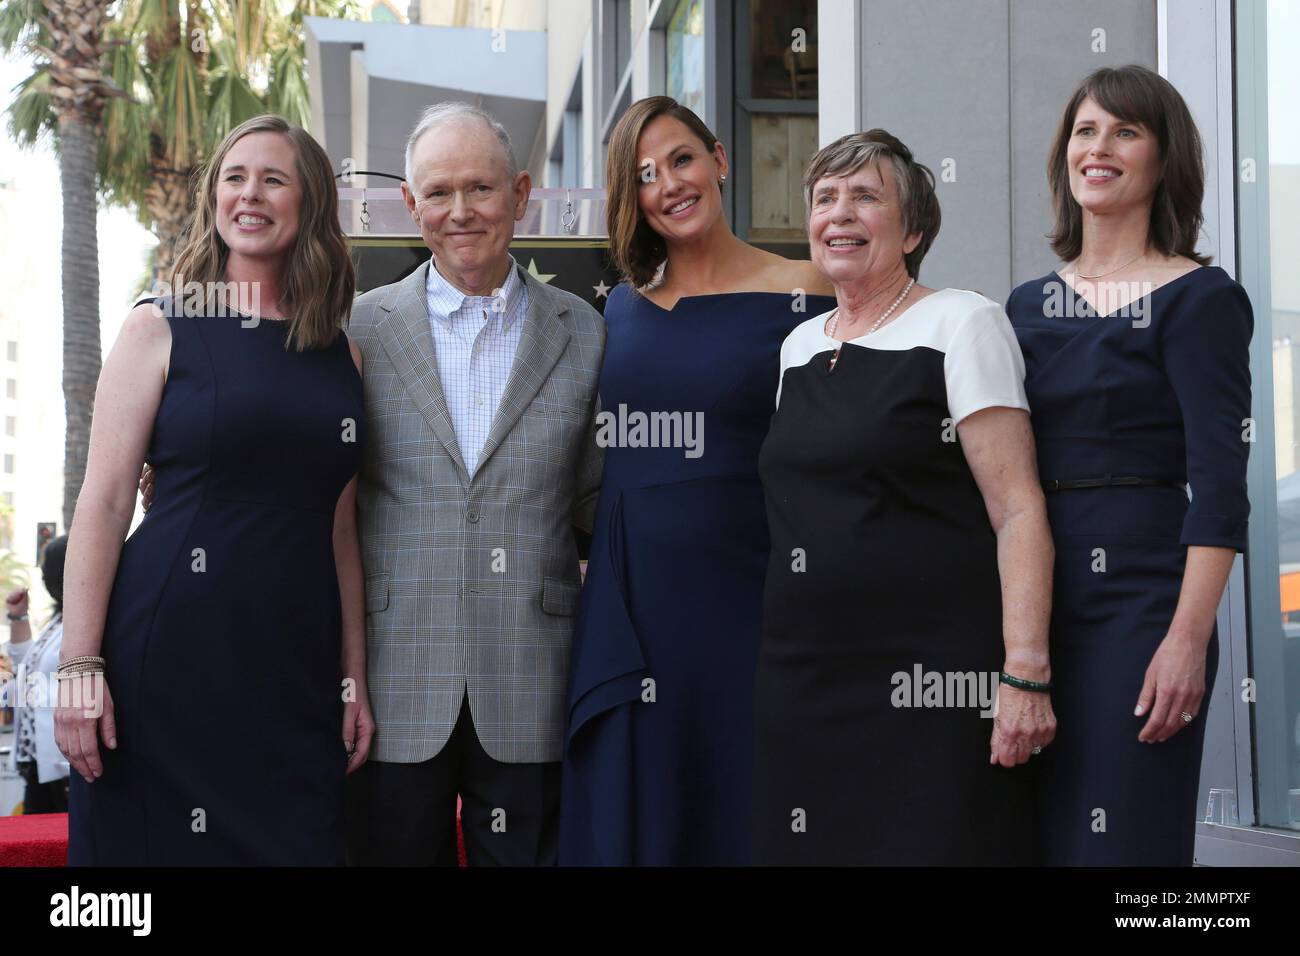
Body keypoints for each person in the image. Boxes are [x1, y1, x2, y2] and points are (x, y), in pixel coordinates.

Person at [62, 114, 370, 865]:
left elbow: (339, 530)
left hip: (295, 676)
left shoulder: (345, 354)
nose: (250, 194)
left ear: (310, 202)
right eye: (234, 177)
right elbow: (102, 502)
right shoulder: (158, 324)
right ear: (214, 198)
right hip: (167, 661)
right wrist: (78, 667)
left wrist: (353, 677)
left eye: (273, 178)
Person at [753, 129, 1056, 865]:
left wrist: (1024, 670)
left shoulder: (963, 321)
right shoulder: (798, 347)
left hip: (932, 678)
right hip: (806, 674)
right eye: (825, 198)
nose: (839, 214)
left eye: (865, 196)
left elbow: (1017, 508)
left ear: (913, 228)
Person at [560, 95, 837, 866]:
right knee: (644, 797)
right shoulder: (618, 309)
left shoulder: (809, 287)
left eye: (682, 158)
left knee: (745, 795)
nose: (669, 184)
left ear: (719, 158)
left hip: (756, 590)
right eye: (644, 174)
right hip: (633, 603)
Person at [342, 103, 605, 866]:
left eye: (481, 189)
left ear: (521, 195)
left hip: (534, 672)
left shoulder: (587, 330)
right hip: (395, 678)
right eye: (440, 191)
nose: (461, 212)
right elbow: (325, 492)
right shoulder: (356, 329)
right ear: (411, 205)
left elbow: (598, 497)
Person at [1005, 65, 1252, 866]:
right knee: (1031, 837)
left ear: (1162, 157)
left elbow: (1220, 487)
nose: (1099, 148)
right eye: (1085, 130)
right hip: (1030, 603)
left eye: (1125, 131)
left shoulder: (1200, 297)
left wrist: (1187, 638)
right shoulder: (1025, 306)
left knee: (1124, 845)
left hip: (1144, 604)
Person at [2, 536, 70, 813]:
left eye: (46, 570)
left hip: (66, 763)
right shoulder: (60, 620)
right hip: (38, 762)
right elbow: (28, 670)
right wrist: (19, 616)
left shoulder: (92, 619)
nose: (42, 578)